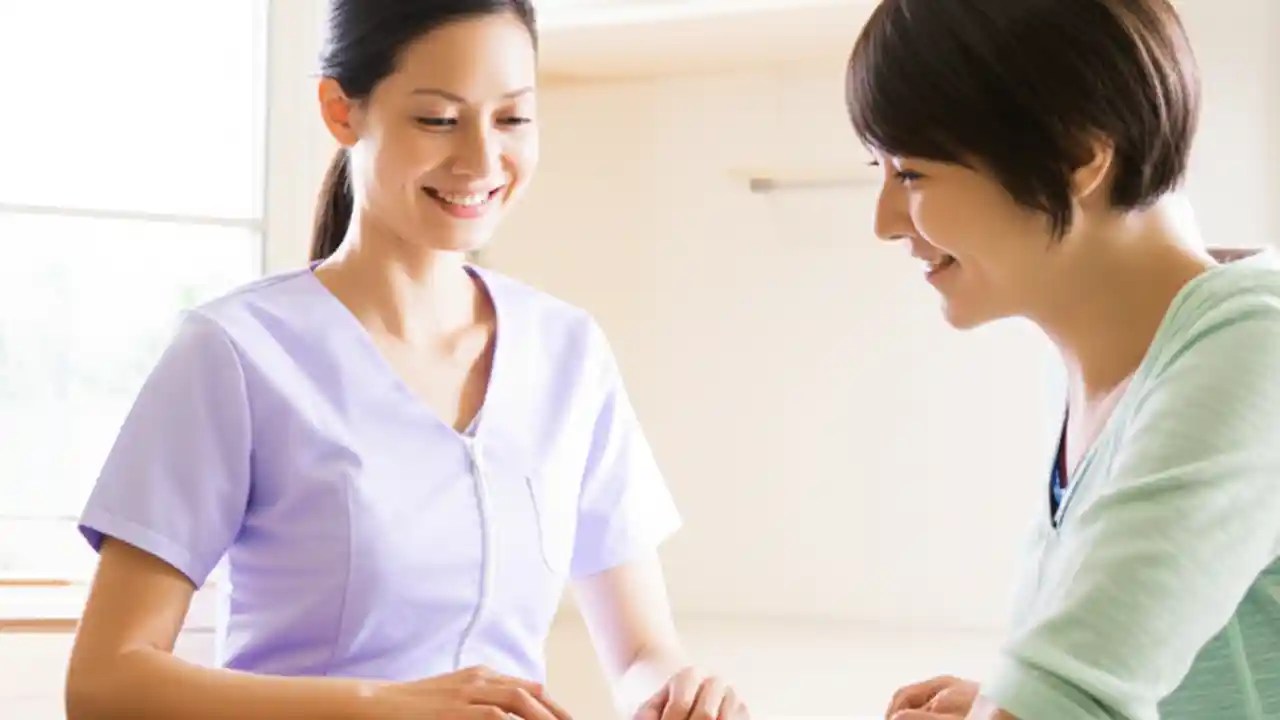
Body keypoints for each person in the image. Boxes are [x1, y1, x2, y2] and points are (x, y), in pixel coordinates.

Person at [64, 2, 750, 719]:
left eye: (512, 119)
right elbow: (107, 682)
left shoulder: (568, 352)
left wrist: (679, 696)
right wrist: (383, 705)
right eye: (438, 120)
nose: (483, 161)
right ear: (340, 110)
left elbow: (641, 655)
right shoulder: (237, 353)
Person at [843, 0, 1280, 718]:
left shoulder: (1250, 351)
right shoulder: (1100, 372)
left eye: (911, 174)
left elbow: (1072, 700)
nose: (885, 223)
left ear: (1077, 153)